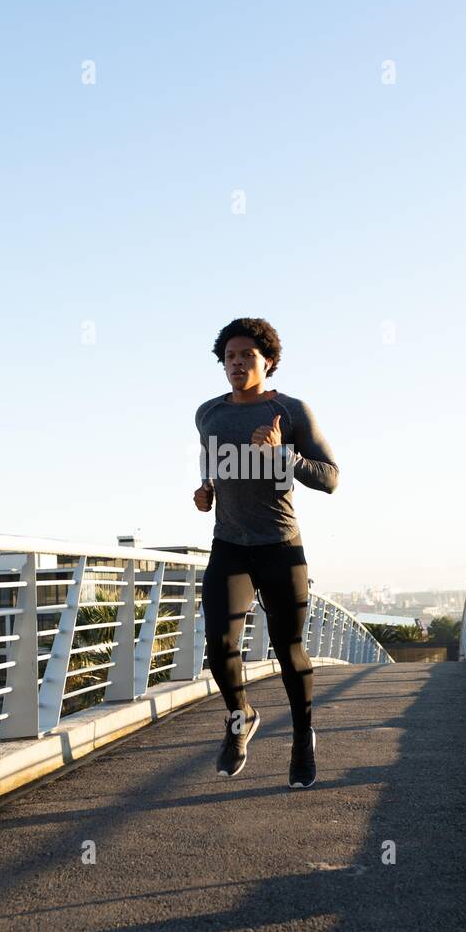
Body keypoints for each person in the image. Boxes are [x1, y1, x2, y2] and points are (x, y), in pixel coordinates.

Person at [192, 317, 339, 788]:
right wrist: (207, 489)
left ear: (268, 362)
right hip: (229, 545)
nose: (236, 364)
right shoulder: (208, 413)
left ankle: (301, 738)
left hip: (280, 546)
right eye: (230, 357)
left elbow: (331, 477)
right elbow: (213, 461)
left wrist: (285, 456)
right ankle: (242, 717)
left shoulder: (292, 411)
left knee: (288, 650)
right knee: (218, 645)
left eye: (247, 356)